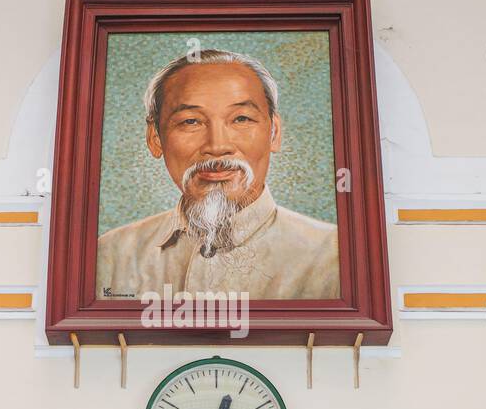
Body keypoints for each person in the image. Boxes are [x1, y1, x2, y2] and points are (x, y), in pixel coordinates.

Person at [96, 50, 340, 300]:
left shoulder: (333, 255)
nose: (217, 146)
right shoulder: (111, 255)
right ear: (155, 138)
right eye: (191, 121)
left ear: (274, 133)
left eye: (241, 119)